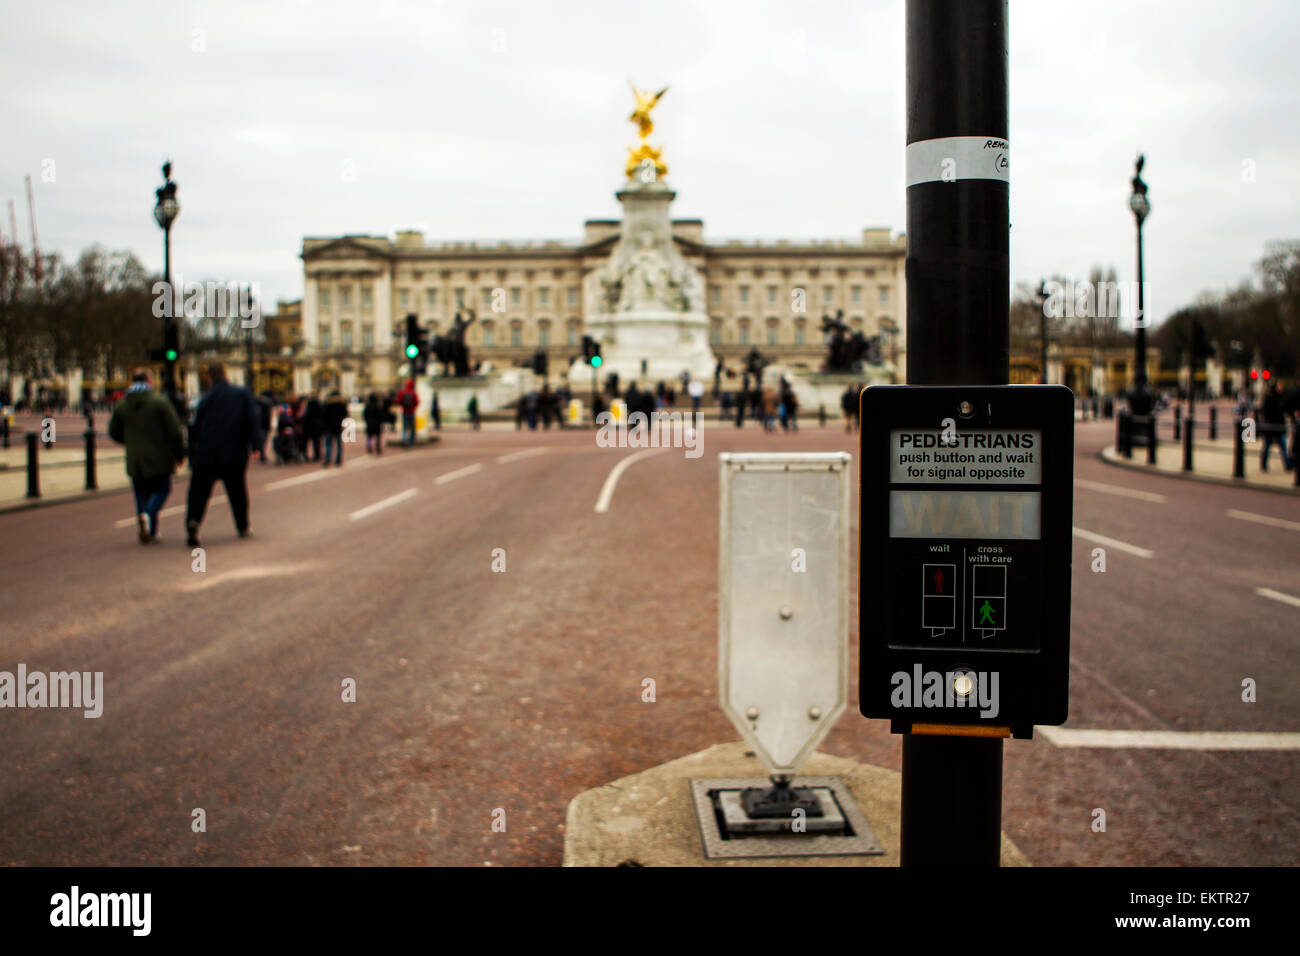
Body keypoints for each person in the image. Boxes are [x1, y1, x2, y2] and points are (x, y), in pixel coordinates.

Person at [185, 363, 261, 547]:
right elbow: (252, 420)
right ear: (226, 374)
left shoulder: (205, 398)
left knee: (199, 492)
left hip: (206, 452)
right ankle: (242, 526)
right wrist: (257, 445)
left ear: (209, 377)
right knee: (237, 492)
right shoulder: (241, 394)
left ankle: (193, 521)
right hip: (233, 451)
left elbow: (195, 426)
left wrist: (191, 452)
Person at [108, 368, 185, 544]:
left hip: (135, 458)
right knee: (162, 489)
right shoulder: (159, 402)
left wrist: (129, 442)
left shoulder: (123, 404)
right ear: (149, 381)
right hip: (159, 457)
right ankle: (148, 517)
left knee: (141, 494)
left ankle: (149, 529)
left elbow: (114, 431)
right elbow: (175, 432)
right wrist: (179, 454)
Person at [1258, 380, 1291, 471]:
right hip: (1273, 426)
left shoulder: (1280, 397)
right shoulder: (1272, 399)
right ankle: (1286, 464)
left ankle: (1287, 464)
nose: (1281, 387)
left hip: (1277, 426)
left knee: (1278, 446)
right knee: (1271, 446)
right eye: (1279, 386)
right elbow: (1266, 412)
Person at [322, 389, 347, 466]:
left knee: (328, 444)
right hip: (338, 426)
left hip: (329, 426)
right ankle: (338, 459)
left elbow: (324, 415)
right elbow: (345, 414)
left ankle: (327, 458)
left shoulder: (327, 403)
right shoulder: (342, 404)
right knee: (339, 444)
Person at [397, 379, 419, 446]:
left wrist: (403, 406)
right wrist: (413, 407)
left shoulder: (402, 392)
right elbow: (416, 402)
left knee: (405, 427)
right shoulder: (413, 392)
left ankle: (404, 439)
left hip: (404, 412)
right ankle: (411, 442)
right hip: (411, 412)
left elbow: (399, 401)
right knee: (412, 428)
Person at [303, 394, 324, 462]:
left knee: (307, 442)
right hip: (317, 426)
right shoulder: (319, 406)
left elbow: (306, 416)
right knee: (316, 442)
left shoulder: (309, 407)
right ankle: (317, 455)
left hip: (309, 426)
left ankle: (306, 455)